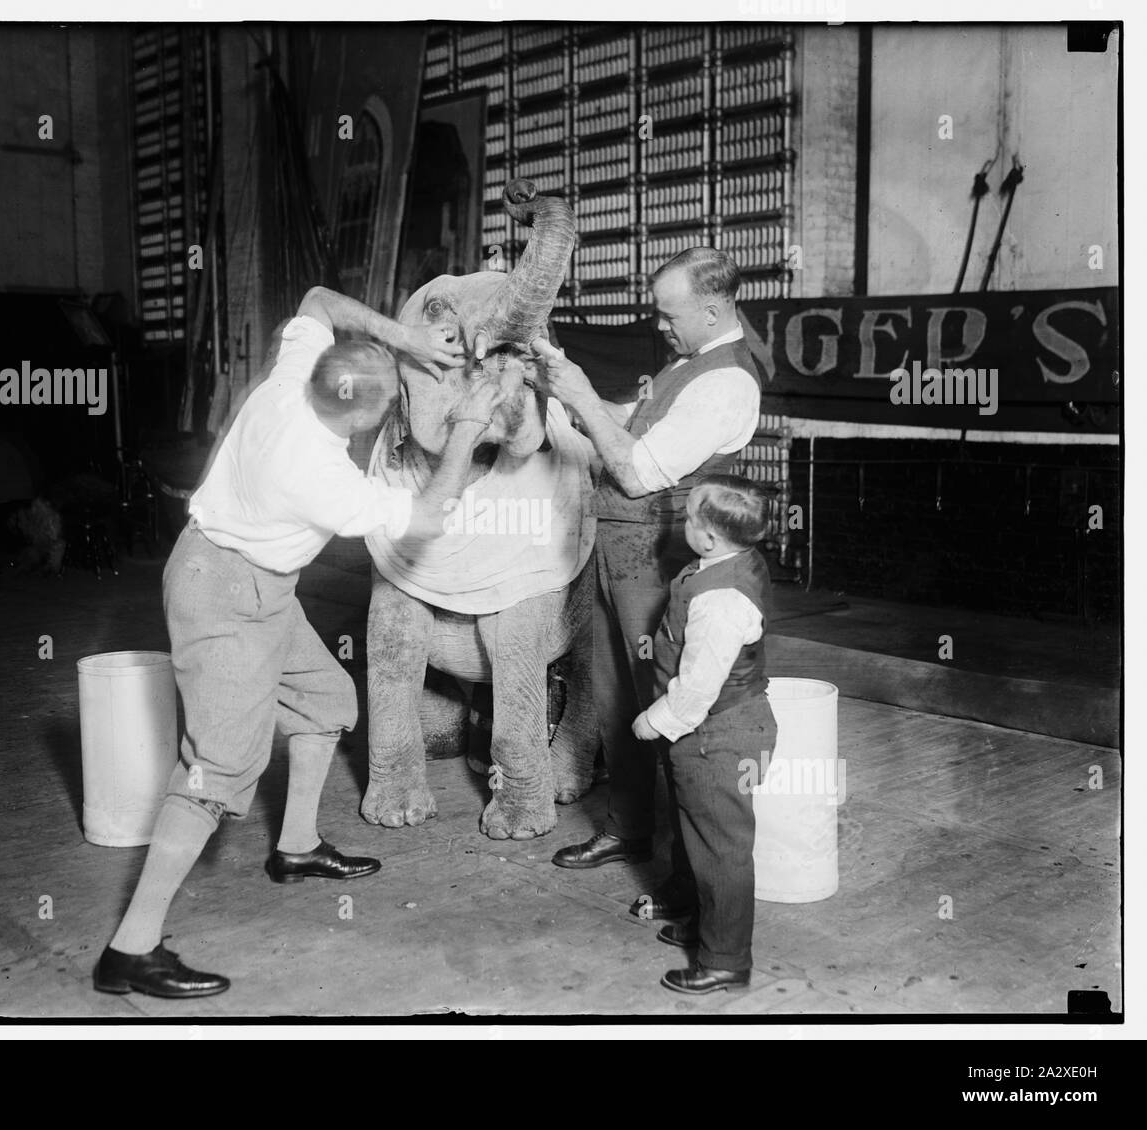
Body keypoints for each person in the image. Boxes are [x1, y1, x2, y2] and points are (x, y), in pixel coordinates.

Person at [93, 286, 499, 999]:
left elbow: (316, 299)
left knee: (325, 700)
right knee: (217, 770)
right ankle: (130, 949)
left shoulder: (290, 382)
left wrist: (404, 342)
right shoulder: (322, 478)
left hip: (251, 579)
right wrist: (468, 427)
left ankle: (297, 847)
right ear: (369, 416)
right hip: (225, 593)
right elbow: (431, 513)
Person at [531, 247, 762, 923]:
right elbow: (627, 425)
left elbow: (635, 472)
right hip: (614, 549)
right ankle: (627, 828)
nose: (659, 324)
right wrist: (559, 383)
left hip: (659, 559)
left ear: (713, 309)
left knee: (665, 713)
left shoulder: (727, 383)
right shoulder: (687, 365)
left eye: (669, 313)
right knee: (611, 697)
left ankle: (680, 876)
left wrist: (576, 395)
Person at [632, 476, 777, 993]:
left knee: (722, 851)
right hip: (722, 728)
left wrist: (653, 721)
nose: (681, 520)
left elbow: (695, 691)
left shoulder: (720, 602)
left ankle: (725, 960)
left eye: (689, 515)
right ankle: (703, 922)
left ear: (710, 537)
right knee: (699, 834)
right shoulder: (733, 563)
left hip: (719, 734)